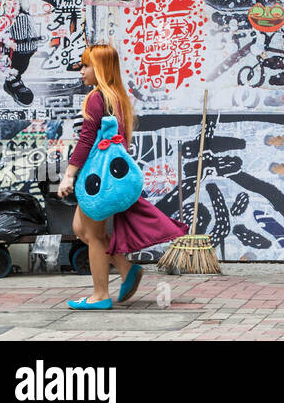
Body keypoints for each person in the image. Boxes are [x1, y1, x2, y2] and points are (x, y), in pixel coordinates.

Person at [58, 43, 188, 309]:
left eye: (86, 65)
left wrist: (69, 175)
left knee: (92, 236)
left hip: (97, 181)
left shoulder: (97, 97)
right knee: (80, 229)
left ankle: (100, 295)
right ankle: (127, 270)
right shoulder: (116, 97)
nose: (81, 71)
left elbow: (86, 140)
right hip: (106, 179)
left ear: (101, 68)